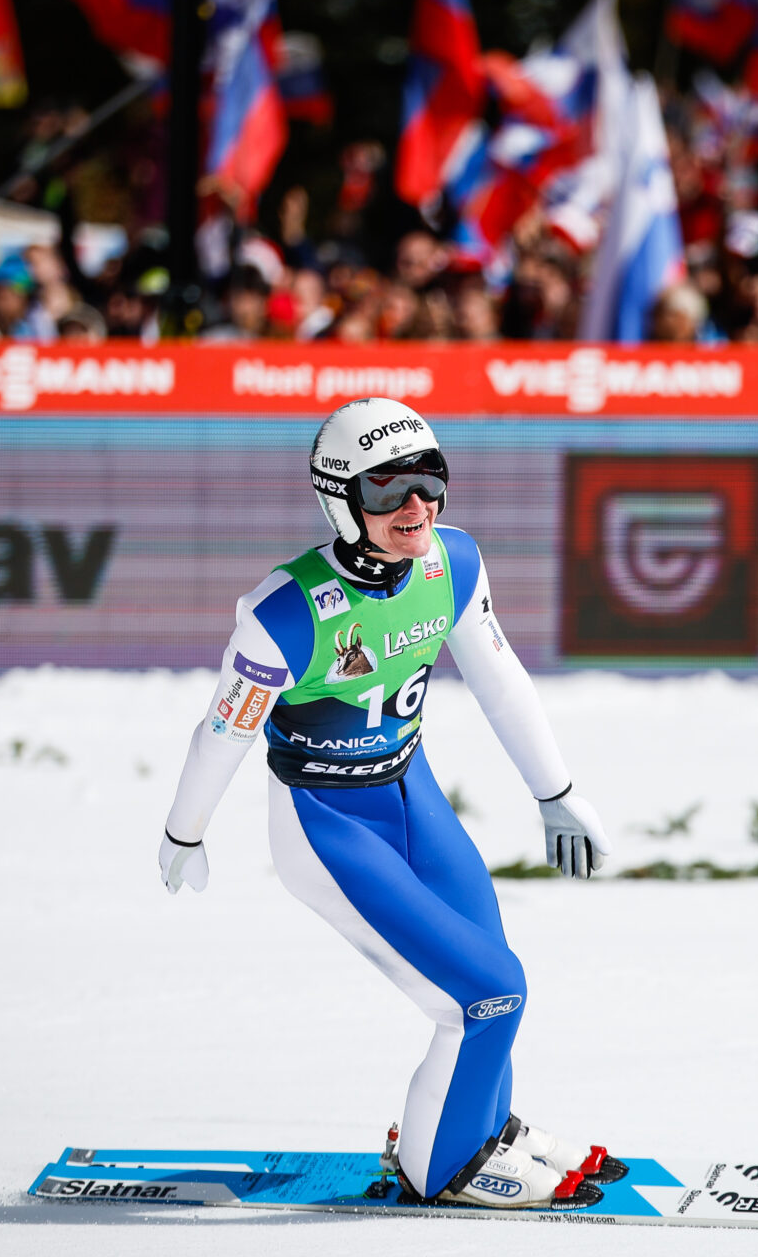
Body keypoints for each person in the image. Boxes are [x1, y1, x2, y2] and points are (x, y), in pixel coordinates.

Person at [154, 397, 618, 1210]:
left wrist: (557, 792)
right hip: (328, 827)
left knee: (485, 966)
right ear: (341, 499)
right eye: (387, 490)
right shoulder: (284, 613)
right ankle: (442, 1169)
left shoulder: (453, 561)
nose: (417, 508)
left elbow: (500, 680)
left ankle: (480, 1125)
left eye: (432, 482)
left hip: (412, 792)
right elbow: (220, 736)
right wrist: (183, 833)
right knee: (487, 992)